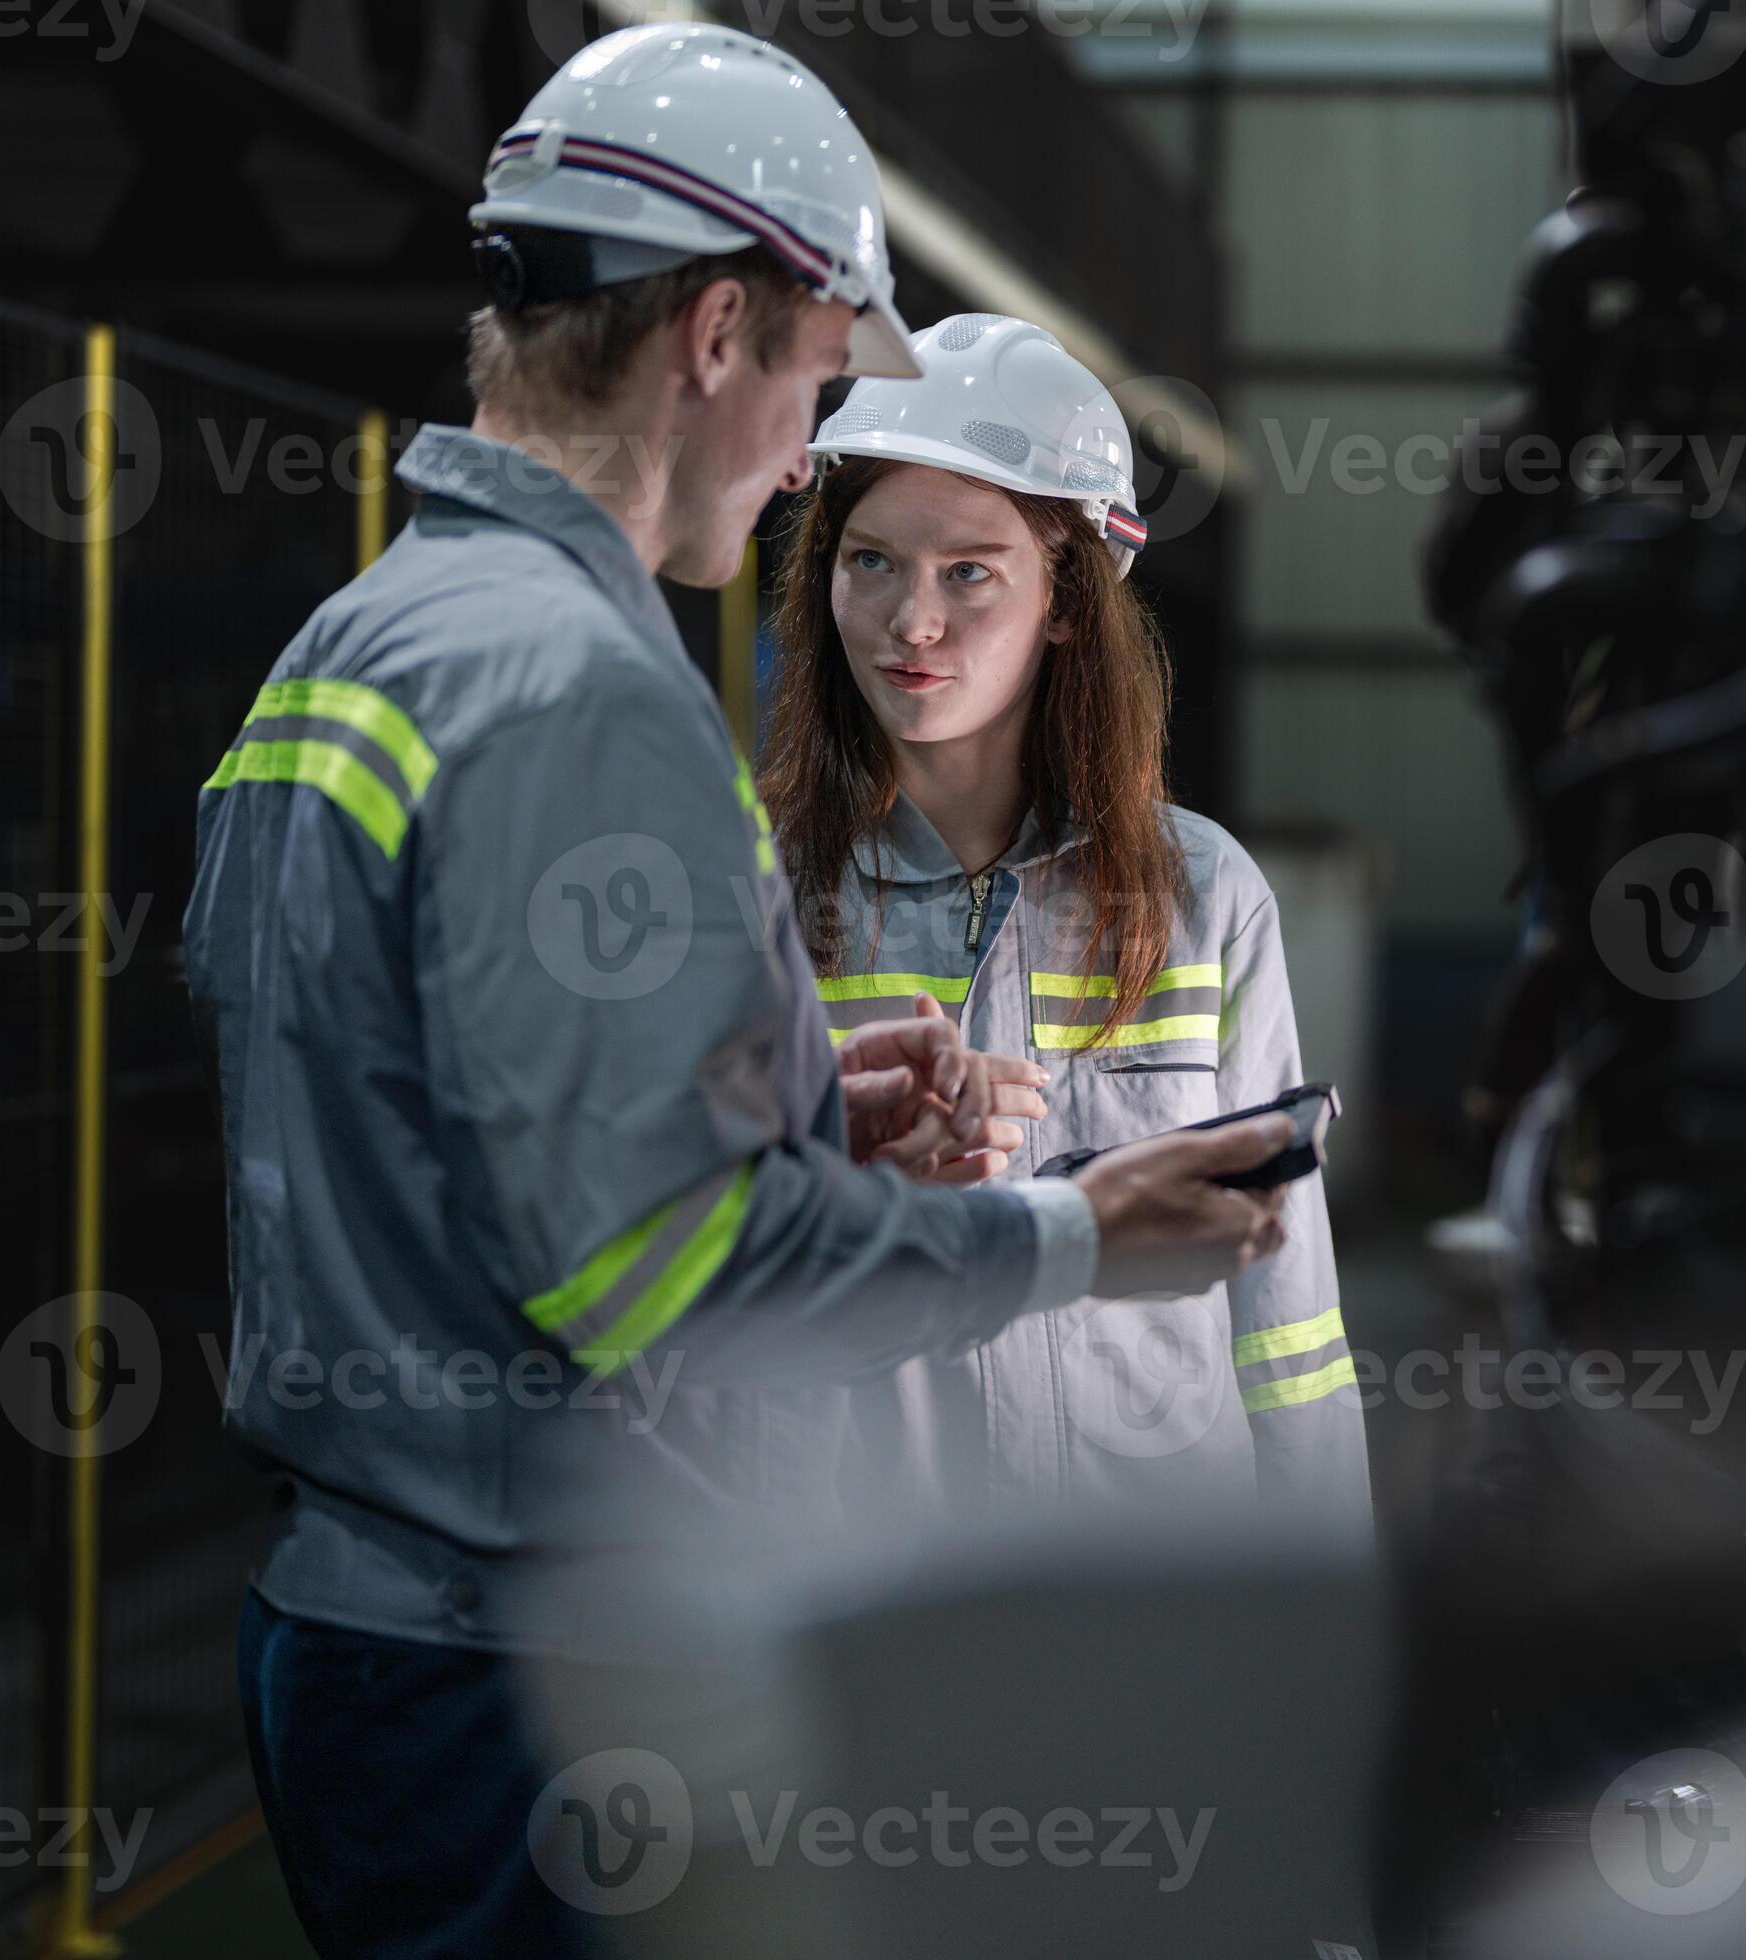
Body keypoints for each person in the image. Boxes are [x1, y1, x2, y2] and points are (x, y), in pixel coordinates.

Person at [182, 26, 1291, 1956]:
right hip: (506, 1664)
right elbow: (672, 1286)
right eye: (811, 378)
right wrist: (1068, 1234)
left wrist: (783, 1094)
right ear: (715, 336)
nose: (802, 453)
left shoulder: (361, 644)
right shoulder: (585, 692)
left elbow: (432, 1109)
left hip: (363, 1623)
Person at [761, 315, 1372, 1529]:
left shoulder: (1202, 895)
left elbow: (1286, 1310)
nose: (910, 623)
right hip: (876, 1591)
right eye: (871, 560)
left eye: (969, 571)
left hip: (1155, 1592)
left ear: (1065, 602)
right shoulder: (759, 890)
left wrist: (1324, 1591)